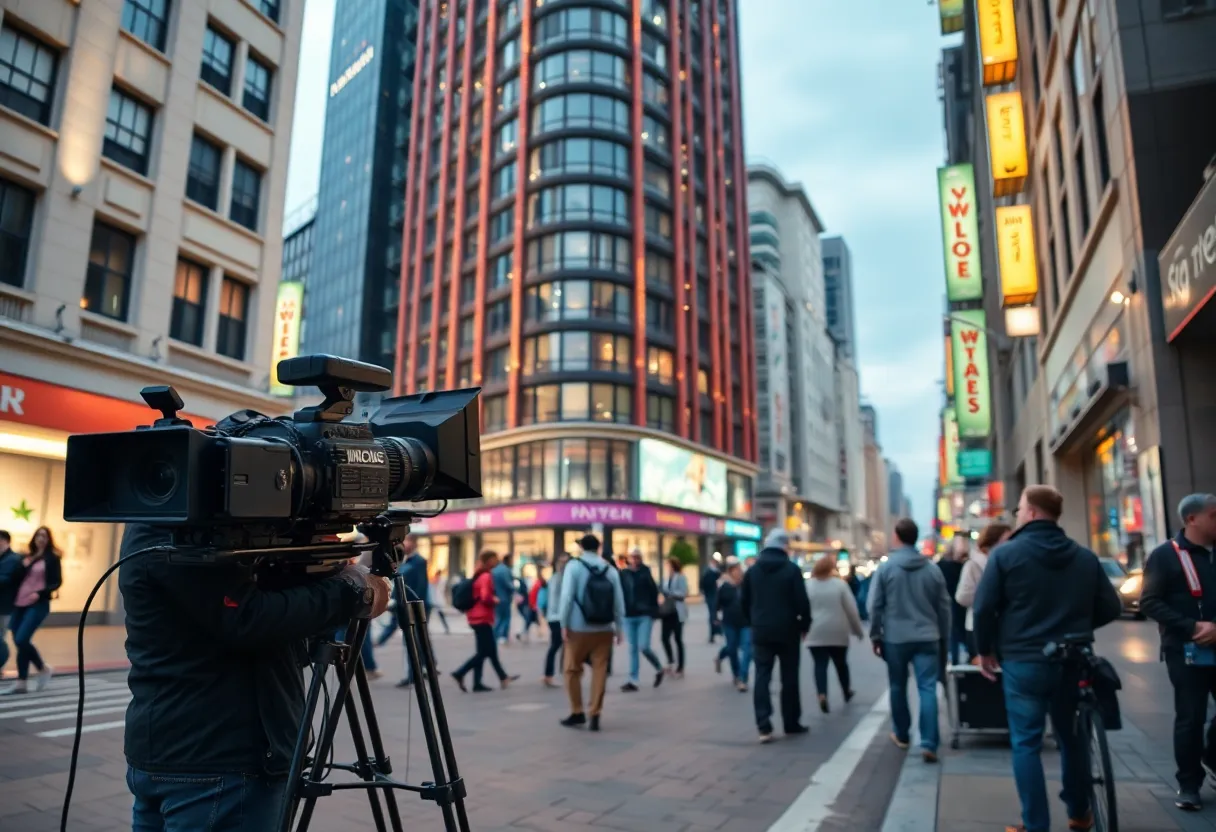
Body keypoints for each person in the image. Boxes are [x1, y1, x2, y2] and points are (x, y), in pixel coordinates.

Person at [112, 521, 390, 828]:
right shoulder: (185, 523)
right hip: (221, 759)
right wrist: (351, 593)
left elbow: (274, 634)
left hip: (174, 747)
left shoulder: (159, 517)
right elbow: (246, 617)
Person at [973, 485, 1122, 832]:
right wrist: (1079, 625)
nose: (1019, 514)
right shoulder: (1084, 557)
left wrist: (985, 650)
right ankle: (1079, 811)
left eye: (1021, 509)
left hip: (1024, 659)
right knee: (1072, 738)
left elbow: (983, 608)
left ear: (1033, 512)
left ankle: (1035, 824)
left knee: (1026, 742)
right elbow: (1111, 606)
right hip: (1073, 657)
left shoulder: (1006, 555)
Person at [1140, 493, 1216, 811]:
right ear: (1192, 519)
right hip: (1185, 650)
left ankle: (1211, 756)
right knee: (1191, 717)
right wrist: (1191, 626)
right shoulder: (1165, 556)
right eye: (1213, 515)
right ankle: (1189, 784)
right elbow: (1149, 601)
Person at [869, 518, 950, 762]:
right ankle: (929, 742)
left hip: (896, 637)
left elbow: (874, 605)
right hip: (928, 636)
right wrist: (944, 635)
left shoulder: (886, 568)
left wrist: (876, 634)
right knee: (927, 687)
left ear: (897, 537)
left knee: (897, 685)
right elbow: (944, 608)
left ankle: (902, 734)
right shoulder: (932, 569)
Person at [741, 529, 811, 743]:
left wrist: (752, 622)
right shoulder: (791, 570)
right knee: (789, 677)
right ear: (783, 547)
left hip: (761, 630)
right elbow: (802, 602)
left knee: (762, 676)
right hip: (788, 630)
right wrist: (804, 625)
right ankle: (791, 722)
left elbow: (744, 601)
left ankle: (764, 726)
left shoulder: (752, 572)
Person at [558, 534, 625, 731]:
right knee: (600, 670)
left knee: (571, 669)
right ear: (598, 548)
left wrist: (563, 623)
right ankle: (595, 713)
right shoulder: (610, 569)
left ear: (581, 547)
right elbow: (618, 602)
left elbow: (567, 597)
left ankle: (577, 711)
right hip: (604, 628)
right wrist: (619, 628)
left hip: (578, 628)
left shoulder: (574, 566)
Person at [0, 526, 63, 695]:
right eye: (38, 536)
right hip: (20, 602)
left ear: (49, 539)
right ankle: (22, 683)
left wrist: (40, 593)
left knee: (22, 639)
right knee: (19, 641)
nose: (41, 539)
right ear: (34, 539)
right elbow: (16, 579)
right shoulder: (27, 557)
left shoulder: (52, 558)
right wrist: (23, 565)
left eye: (44, 536)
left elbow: (56, 582)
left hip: (38, 603)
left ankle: (42, 668)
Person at [806, 554, 864, 713]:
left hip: (815, 631)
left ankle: (822, 694)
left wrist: (802, 629)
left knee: (820, 664)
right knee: (841, 663)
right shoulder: (840, 585)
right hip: (837, 631)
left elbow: (802, 609)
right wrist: (858, 631)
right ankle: (846, 691)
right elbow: (851, 610)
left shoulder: (808, 585)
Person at [452, 550, 517, 692]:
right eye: (494, 559)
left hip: (476, 617)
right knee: (485, 651)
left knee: (489, 650)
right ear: (489, 561)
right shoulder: (486, 576)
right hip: (482, 617)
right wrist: (495, 599)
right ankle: (460, 673)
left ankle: (483, 682)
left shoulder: (479, 574)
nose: (497, 561)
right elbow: (485, 596)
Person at [955, 523, 1011, 661]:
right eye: (1006, 540)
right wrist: (987, 595)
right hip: (977, 626)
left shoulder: (1008, 562)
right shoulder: (973, 565)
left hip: (1003, 626)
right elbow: (962, 596)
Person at [620, 548, 664, 692]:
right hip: (628, 615)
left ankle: (658, 667)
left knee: (643, 646)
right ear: (629, 558)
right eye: (633, 557)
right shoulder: (624, 574)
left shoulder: (646, 572)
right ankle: (633, 680)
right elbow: (620, 593)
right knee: (632, 649)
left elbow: (654, 592)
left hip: (644, 614)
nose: (635, 560)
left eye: (638, 557)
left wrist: (654, 612)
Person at [394, 537, 431, 687]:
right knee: (414, 642)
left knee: (413, 641)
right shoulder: (405, 561)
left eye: (407, 542)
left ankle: (414, 674)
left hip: (413, 606)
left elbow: (419, 586)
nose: (404, 545)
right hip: (405, 605)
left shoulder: (418, 561)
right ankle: (418, 671)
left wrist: (414, 606)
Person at [715, 559, 752, 692]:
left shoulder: (746, 586)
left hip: (746, 623)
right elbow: (717, 604)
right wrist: (715, 618)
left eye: (740, 570)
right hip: (729, 622)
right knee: (732, 648)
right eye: (736, 571)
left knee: (747, 648)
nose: (739, 573)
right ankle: (736, 674)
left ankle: (743, 677)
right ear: (730, 572)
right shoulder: (724, 587)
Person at [937, 538, 968, 665]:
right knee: (958, 633)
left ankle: (951, 660)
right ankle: (957, 660)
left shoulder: (940, 566)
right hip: (960, 605)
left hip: (946, 604)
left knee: (950, 635)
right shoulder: (963, 566)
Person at [658, 557, 689, 678]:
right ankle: (670, 660)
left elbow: (685, 592)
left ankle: (680, 667)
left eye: (669, 565)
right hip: (667, 611)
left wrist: (672, 594)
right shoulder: (666, 578)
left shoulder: (680, 577)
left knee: (678, 639)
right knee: (664, 637)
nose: (667, 567)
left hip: (677, 611)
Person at [542, 553, 569, 688]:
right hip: (557, 617)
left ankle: (556, 672)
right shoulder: (559, 579)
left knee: (559, 645)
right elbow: (559, 600)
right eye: (563, 562)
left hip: (554, 617)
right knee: (556, 645)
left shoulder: (555, 578)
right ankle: (549, 675)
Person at [0, 531, 20, 677]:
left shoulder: (13, 559)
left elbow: (7, 579)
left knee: (0, 637)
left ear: (6, 541)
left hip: (5, 606)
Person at [492, 553, 515, 643]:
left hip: (496, 597)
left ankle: (495, 635)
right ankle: (502, 636)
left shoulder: (495, 570)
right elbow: (509, 584)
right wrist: (515, 590)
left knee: (498, 617)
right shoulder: (506, 570)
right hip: (505, 598)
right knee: (505, 618)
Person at [701, 557, 723, 644]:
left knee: (713, 616)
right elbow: (704, 583)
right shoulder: (710, 572)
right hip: (712, 596)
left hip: (713, 596)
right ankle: (716, 631)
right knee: (713, 616)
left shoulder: (714, 572)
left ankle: (716, 632)